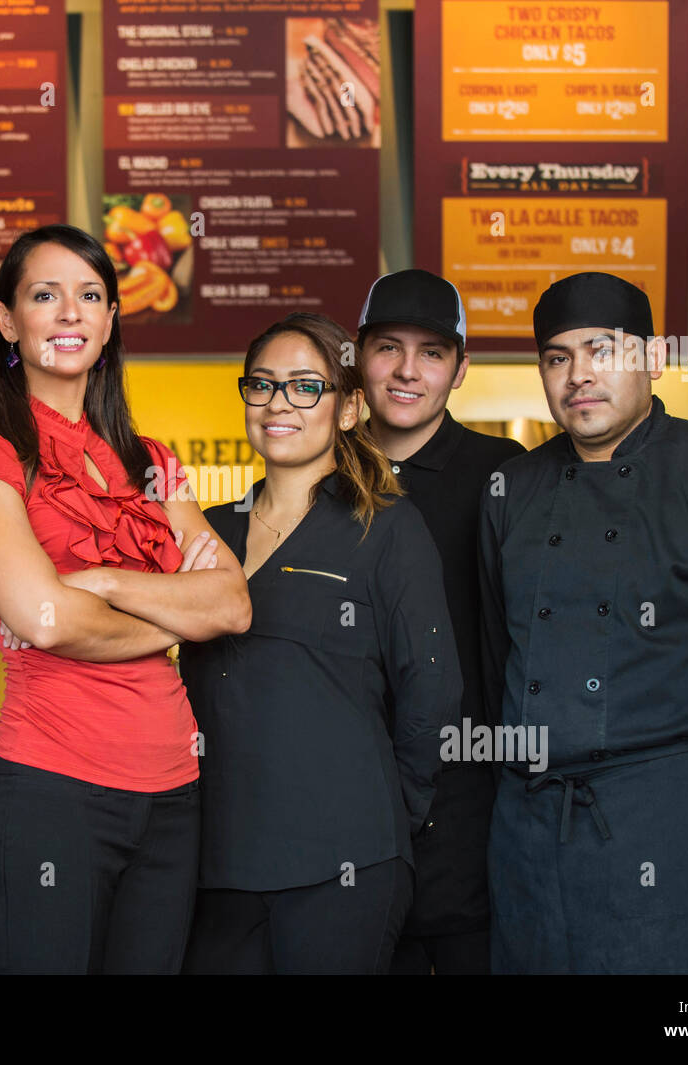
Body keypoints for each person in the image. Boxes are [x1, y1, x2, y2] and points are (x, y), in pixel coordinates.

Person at [479, 271, 688, 974]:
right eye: (556, 356)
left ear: (654, 359)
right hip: (527, 828)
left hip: (664, 822)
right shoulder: (511, 490)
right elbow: (494, 651)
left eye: (602, 349)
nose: (578, 375)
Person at [0, 223, 250, 975]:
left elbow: (233, 604)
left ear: (111, 319)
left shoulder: (152, 461)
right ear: (9, 321)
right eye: (45, 295)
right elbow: (47, 620)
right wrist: (176, 606)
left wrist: (107, 584)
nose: (70, 313)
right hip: (54, 795)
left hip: (175, 796)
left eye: (89, 296)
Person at [178, 312, 462, 974]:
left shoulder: (384, 527)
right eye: (263, 384)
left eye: (306, 386)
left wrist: (391, 810)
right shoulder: (206, 532)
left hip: (345, 861)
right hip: (214, 865)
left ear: (348, 407)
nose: (279, 403)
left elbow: (433, 685)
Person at [356, 269, 524, 974]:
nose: (406, 370)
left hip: (471, 805)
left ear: (460, 369)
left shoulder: (504, 472)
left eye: (431, 352)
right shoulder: (319, 471)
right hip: (349, 797)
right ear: (357, 358)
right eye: (387, 347)